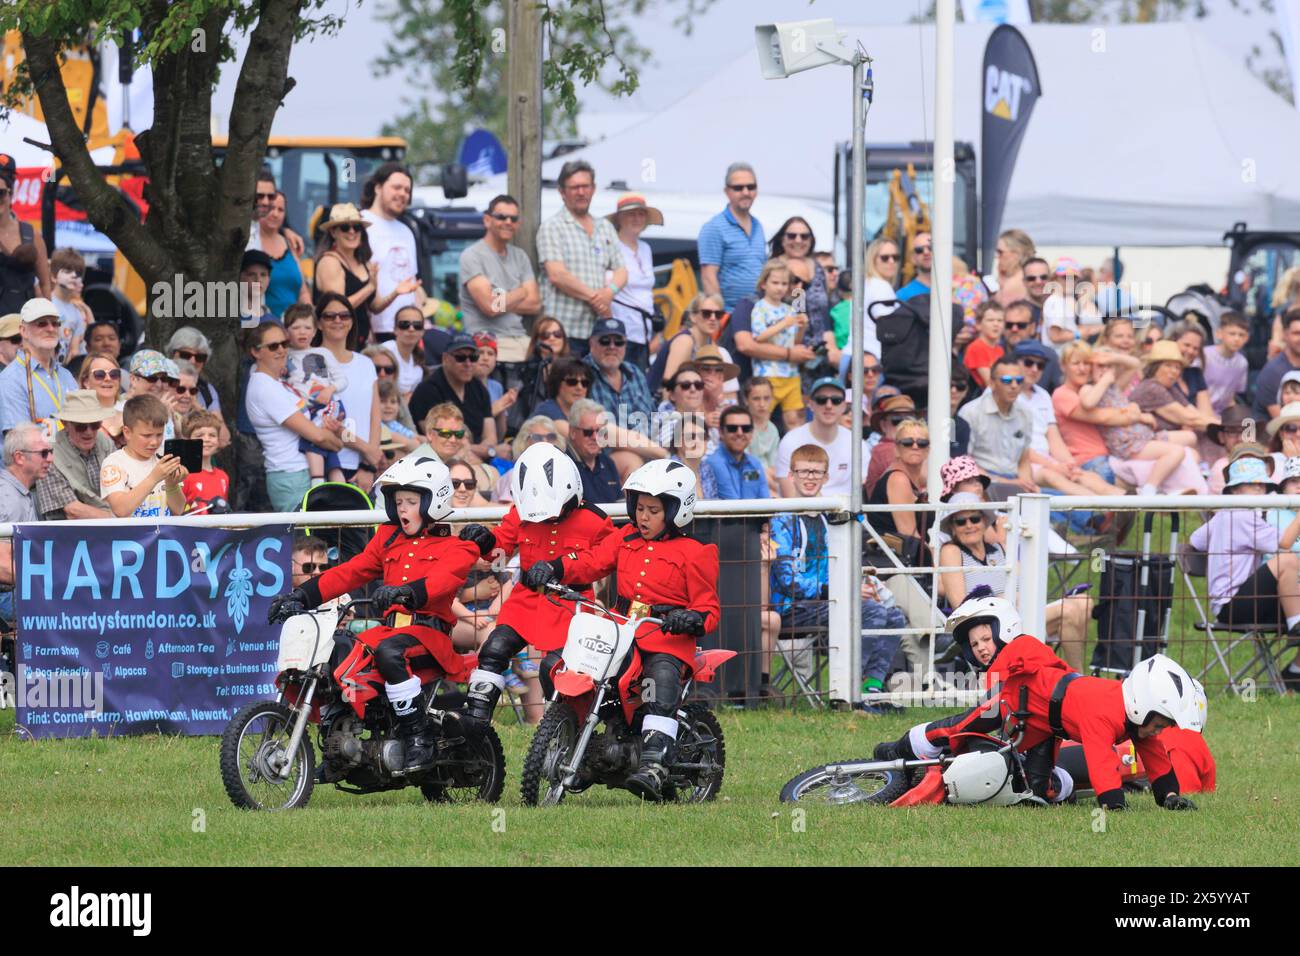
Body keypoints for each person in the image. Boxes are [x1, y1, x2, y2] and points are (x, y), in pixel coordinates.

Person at [874, 591, 1205, 810]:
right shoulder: (1103, 712)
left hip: (1046, 723)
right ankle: (900, 749)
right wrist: (1113, 803)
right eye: (975, 645)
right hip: (1021, 701)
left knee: (1037, 792)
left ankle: (951, 779)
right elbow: (1101, 759)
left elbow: (1155, 753)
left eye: (986, 639)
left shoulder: (1134, 719)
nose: (981, 648)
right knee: (962, 727)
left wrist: (1171, 796)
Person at [520, 459, 720, 801]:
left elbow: (709, 608)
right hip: (619, 627)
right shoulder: (624, 537)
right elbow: (591, 561)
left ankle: (655, 763)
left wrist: (690, 618)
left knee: (660, 679)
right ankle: (577, 736)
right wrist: (554, 567)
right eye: (639, 508)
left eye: (653, 510)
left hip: (666, 637)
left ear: (676, 510)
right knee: (558, 662)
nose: (643, 517)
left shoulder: (697, 552)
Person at [269, 457, 480, 773]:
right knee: (337, 649)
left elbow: (442, 581)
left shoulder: (457, 546)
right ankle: (337, 746)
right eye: (398, 502)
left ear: (433, 501)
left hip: (429, 636)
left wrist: (406, 592)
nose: (403, 509)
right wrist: (300, 596)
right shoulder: (387, 537)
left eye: (411, 502)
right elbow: (349, 572)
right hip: (389, 632)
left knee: (388, 651)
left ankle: (418, 737)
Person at [458, 441, 618, 730]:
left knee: (555, 669)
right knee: (493, 650)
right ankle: (476, 723)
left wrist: (561, 567)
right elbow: (500, 549)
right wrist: (483, 540)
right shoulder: (520, 513)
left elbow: (604, 560)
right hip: (526, 601)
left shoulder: (595, 520)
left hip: (572, 604)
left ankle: (565, 727)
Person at [771, 443, 907, 709]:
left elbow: (837, 569)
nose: (810, 478)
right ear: (791, 475)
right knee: (872, 613)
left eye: (816, 472)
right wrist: (841, 592)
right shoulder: (781, 518)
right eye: (804, 471)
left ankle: (872, 688)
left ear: (826, 477)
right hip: (792, 608)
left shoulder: (829, 517)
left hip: (827, 602)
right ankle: (850, 693)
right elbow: (788, 580)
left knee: (894, 615)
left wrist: (857, 585)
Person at [938, 493, 1091, 671]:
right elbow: (961, 606)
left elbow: (1026, 585)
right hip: (992, 624)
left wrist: (1004, 542)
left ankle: (1062, 677)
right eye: (961, 521)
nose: (969, 525)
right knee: (1070, 611)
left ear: (985, 522)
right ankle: (1076, 677)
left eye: (975, 518)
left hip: (1020, 614)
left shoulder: (999, 548)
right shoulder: (951, 551)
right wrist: (1000, 600)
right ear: (952, 527)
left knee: (1084, 602)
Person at [1190, 456, 1300, 659]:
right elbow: (1285, 544)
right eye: (1251, 484)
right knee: (1287, 560)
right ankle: (1296, 626)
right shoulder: (1245, 517)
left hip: (1229, 603)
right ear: (1235, 490)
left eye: (1261, 485)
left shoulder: (1224, 514)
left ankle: (1294, 672)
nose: (1259, 489)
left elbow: (1195, 540)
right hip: (1235, 605)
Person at [244, 321, 344, 511]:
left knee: (316, 539)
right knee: (301, 540)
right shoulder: (264, 387)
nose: (281, 350)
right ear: (255, 352)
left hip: (301, 472)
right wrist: (337, 443)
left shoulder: (278, 383)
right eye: (273, 346)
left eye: (285, 343)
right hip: (291, 476)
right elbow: (316, 436)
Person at [1016, 339, 1125, 498]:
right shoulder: (1007, 395)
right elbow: (1019, 448)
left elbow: (1054, 438)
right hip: (1026, 465)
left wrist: (1069, 465)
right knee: (1059, 476)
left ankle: (1129, 505)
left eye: (1040, 365)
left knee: (1086, 477)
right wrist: (1054, 465)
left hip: (1051, 460)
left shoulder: (1042, 394)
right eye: (1028, 363)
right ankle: (1103, 509)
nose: (1034, 369)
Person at [537, 160, 626, 352]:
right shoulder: (552, 227)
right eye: (574, 187)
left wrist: (609, 291)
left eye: (585, 186)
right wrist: (596, 298)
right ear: (562, 192)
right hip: (563, 333)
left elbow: (622, 270)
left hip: (597, 333)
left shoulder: (605, 227)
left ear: (593, 189)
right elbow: (557, 275)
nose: (581, 192)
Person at [314, 293, 385, 489]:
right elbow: (325, 424)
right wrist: (367, 450)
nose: (338, 320)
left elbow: (375, 418)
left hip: (365, 467)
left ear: (352, 322)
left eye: (344, 316)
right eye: (330, 316)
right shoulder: (312, 363)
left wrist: (368, 464)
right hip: (329, 464)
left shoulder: (366, 363)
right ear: (319, 323)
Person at [459, 194, 541, 364]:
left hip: (521, 339)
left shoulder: (520, 256)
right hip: (487, 344)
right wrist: (521, 292)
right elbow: (490, 307)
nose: (508, 222)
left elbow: (534, 305)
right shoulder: (472, 255)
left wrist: (500, 300)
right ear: (487, 220)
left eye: (514, 218)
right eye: (502, 217)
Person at [582, 317, 662, 475]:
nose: (612, 347)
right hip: (601, 457)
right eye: (605, 341)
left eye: (618, 342)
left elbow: (653, 418)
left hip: (647, 452)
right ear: (592, 343)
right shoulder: (581, 374)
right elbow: (598, 432)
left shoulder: (635, 373)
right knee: (632, 461)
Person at [408, 331, 496, 459]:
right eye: (460, 358)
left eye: (473, 357)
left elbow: (491, 437)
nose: (468, 363)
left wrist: (480, 451)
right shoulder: (427, 390)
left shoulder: (479, 388)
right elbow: (439, 439)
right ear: (445, 359)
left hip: (476, 457)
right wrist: (488, 451)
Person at [362, 163, 423, 342]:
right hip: (375, 331)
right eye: (396, 187)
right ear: (378, 187)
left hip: (407, 330)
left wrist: (420, 322)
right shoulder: (359, 225)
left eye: (407, 190)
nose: (403, 194)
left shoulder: (407, 231)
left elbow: (412, 282)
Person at [958, 355, 1038, 493]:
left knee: (1063, 505)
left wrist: (1028, 486)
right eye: (1006, 380)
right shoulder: (970, 413)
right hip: (982, 482)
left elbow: (1024, 460)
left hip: (1015, 480)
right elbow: (965, 463)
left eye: (1019, 380)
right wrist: (1010, 483)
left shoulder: (1026, 413)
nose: (1014, 385)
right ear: (992, 383)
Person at [100, 395, 188, 518]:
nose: (154, 442)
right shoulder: (114, 463)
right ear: (127, 432)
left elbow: (178, 510)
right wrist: (153, 478)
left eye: (159, 435)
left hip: (162, 535)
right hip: (130, 536)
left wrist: (172, 485)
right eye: (147, 435)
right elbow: (120, 510)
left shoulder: (163, 458)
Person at [0, 298, 80, 433]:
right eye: (41, 324)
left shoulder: (66, 376)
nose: (50, 329)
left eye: (55, 323)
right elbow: (20, 441)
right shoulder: (9, 380)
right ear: (23, 331)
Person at [34, 390, 115, 520]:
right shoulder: (49, 455)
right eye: (81, 426)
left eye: (95, 424)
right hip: (68, 534)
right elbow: (73, 511)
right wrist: (117, 520)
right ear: (65, 423)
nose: (89, 432)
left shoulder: (105, 442)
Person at [0, 422, 52, 621]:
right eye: (44, 453)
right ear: (19, 457)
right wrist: (53, 582)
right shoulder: (7, 498)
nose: (50, 458)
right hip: (7, 596)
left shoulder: (23, 490)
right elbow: (3, 566)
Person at [698, 162, 766, 312]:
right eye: (738, 188)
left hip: (759, 316)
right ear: (727, 191)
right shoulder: (714, 227)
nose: (746, 192)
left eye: (751, 187)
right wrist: (721, 316)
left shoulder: (758, 226)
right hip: (730, 315)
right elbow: (709, 277)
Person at [749, 258, 808, 430]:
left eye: (784, 283)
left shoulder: (789, 309)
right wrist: (784, 323)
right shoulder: (759, 307)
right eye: (775, 282)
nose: (780, 287)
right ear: (763, 284)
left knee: (793, 420)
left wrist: (802, 327)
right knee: (761, 419)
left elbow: (795, 341)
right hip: (768, 373)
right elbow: (759, 337)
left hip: (790, 374)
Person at [607, 193, 662, 367]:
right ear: (619, 219)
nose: (637, 218)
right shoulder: (611, 246)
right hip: (621, 333)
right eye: (631, 214)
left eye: (641, 214)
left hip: (644, 333)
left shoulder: (646, 248)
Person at [775, 377, 853, 496]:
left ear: (844, 405)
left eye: (836, 400)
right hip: (804, 511)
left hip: (846, 512)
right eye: (821, 400)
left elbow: (862, 491)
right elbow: (790, 497)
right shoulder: (790, 441)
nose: (828, 405)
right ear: (810, 404)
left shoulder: (856, 443)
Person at [313, 203, 378, 340]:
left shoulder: (364, 262)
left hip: (360, 341)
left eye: (357, 227)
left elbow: (375, 306)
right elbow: (338, 308)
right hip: (337, 343)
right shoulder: (329, 262)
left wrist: (398, 291)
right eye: (345, 227)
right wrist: (370, 287)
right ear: (333, 232)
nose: (352, 232)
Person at [649, 292, 730, 394]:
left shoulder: (711, 345)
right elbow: (668, 388)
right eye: (706, 313)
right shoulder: (685, 341)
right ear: (693, 317)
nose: (713, 318)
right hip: (655, 404)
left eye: (718, 314)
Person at [0, 155, 51, 312]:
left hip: (24, 324)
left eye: (0, 193)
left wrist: (50, 320)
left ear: (11, 192)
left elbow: (45, 284)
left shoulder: (30, 234)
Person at [867, 416, 930, 542]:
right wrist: (936, 558)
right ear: (896, 449)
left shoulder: (911, 479)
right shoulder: (898, 479)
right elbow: (910, 537)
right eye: (907, 442)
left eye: (922, 443)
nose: (915, 446)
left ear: (928, 449)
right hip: (891, 558)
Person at [260, 191, 311, 316]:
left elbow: (303, 292)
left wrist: (310, 318)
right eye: (271, 208)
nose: (275, 214)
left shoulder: (291, 243)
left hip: (293, 329)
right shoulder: (251, 242)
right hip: (262, 328)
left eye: (281, 210)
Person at [702, 406, 769, 500]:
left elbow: (766, 502)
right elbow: (734, 506)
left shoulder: (755, 463)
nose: (740, 433)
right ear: (721, 432)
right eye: (732, 428)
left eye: (746, 428)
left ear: (752, 432)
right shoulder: (714, 463)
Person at [566, 398, 622, 504]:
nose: (595, 437)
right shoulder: (563, 466)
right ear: (572, 432)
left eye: (600, 431)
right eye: (588, 432)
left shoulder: (608, 463)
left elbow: (620, 504)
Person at [179, 409, 230, 515]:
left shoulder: (223, 477)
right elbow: (177, 510)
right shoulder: (183, 474)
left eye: (212, 435)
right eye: (199, 436)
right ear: (187, 440)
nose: (206, 439)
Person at [1004, 299, 1062, 392]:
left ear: (1033, 327)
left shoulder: (1049, 356)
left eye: (1021, 325)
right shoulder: (994, 351)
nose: (1014, 329)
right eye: (1009, 325)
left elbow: (1060, 392)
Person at [48, 247, 91, 363]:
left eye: (78, 273)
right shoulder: (45, 304)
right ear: (53, 276)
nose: (73, 276)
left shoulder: (77, 313)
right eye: (67, 271)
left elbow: (74, 351)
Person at [532, 357, 592, 438]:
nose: (579, 387)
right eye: (572, 382)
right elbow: (578, 439)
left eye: (585, 383)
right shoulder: (546, 410)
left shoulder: (587, 411)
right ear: (557, 384)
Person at [1203, 311, 1249, 414]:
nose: (1237, 339)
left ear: (1247, 338)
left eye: (1241, 335)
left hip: (1222, 415)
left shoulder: (1242, 363)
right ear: (1219, 334)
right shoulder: (1205, 355)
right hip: (1200, 411)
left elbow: (1230, 396)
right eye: (1232, 334)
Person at [380, 304, 427, 401]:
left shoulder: (418, 367)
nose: (411, 329)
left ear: (422, 331)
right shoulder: (384, 351)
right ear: (395, 329)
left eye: (417, 325)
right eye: (404, 325)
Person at [962, 301, 1005, 388]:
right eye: (990, 320)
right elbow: (990, 383)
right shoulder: (976, 348)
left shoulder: (1000, 350)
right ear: (978, 324)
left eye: (1000, 320)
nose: (996, 324)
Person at [991, 228, 1035, 307]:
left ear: (1016, 254)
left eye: (1000, 252)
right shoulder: (1027, 276)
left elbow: (999, 311)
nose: (997, 256)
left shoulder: (1015, 283)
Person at [238, 249, 276, 324]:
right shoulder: (228, 321)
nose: (258, 280)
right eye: (251, 274)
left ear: (269, 279)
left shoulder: (274, 322)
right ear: (240, 277)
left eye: (263, 275)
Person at [896, 232, 932, 301]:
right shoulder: (902, 296)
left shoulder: (955, 288)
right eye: (919, 250)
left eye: (930, 247)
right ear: (913, 258)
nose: (926, 252)